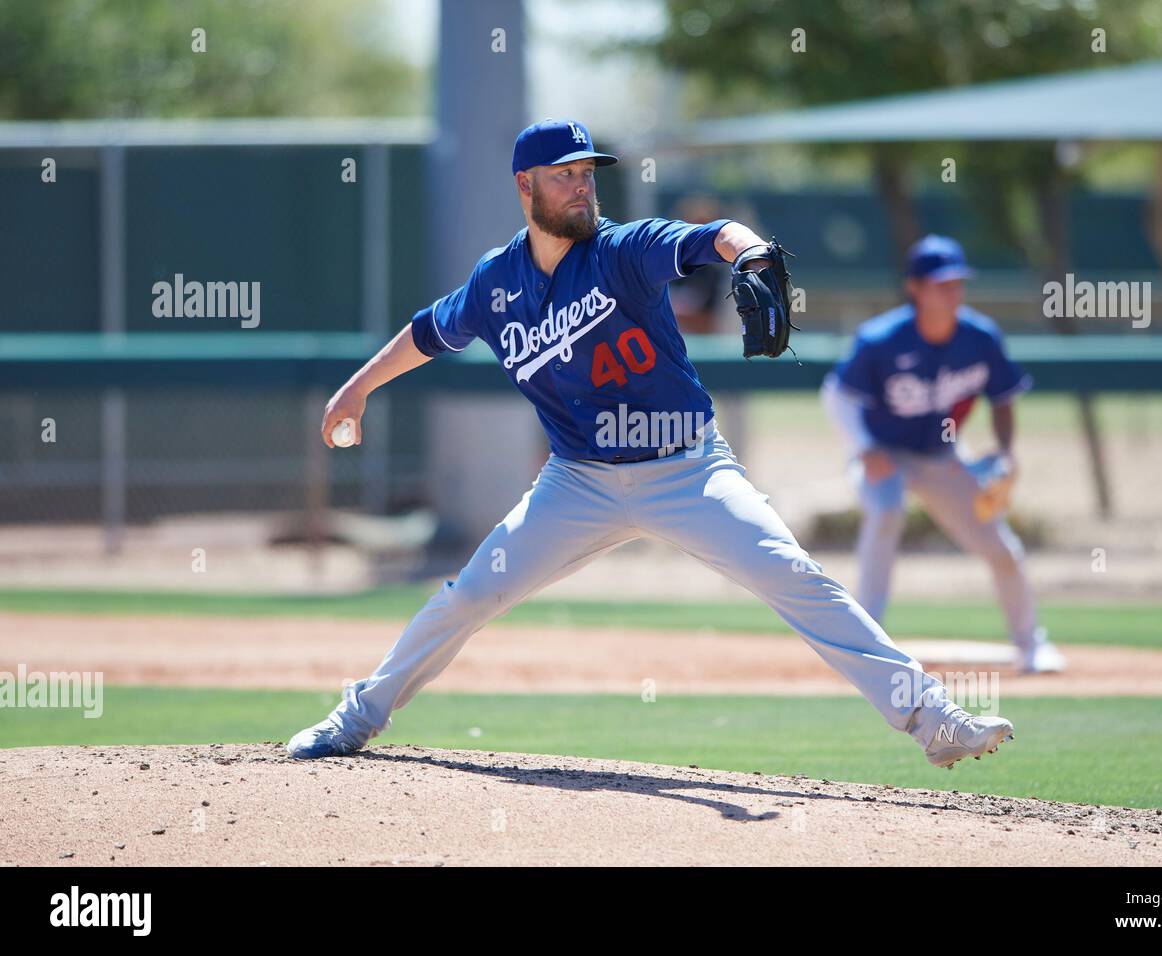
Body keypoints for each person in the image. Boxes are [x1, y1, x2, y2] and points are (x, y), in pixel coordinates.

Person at [286, 120, 1013, 769]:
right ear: (525, 185)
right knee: (469, 593)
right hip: (577, 484)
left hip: (688, 469)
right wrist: (357, 388)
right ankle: (354, 718)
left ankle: (935, 720)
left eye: (586, 174)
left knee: (798, 577)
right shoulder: (495, 283)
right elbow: (427, 332)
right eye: (564, 175)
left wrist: (753, 254)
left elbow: (709, 236)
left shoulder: (624, 250)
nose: (580, 186)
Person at [820, 234, 1066, 675]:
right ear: (915, 288)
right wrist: (864, 448)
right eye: (940, 284)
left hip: (941, 455)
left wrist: (1007, 453)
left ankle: (1032, 646)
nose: (952, 292)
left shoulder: (980, 336)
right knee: (887, 512)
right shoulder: (881, 338)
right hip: (885, 454)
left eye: (957, 283)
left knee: (1001, 548)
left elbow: (1003, 397)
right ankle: (864, 650)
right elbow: (837, 396)